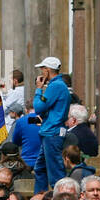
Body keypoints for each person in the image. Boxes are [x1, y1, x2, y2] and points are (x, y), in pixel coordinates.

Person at [32, 56, 70, 190]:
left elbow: (38, 107)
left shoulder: (55, 86)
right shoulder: (58, 86)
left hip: (52, 133)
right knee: (40, 168)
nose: (41, 73)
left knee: (55, 173)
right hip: (50, 131)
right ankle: (40, 197)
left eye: (43, 69)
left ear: (47, 70)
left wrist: (38, 89)